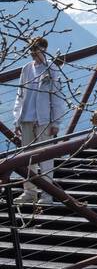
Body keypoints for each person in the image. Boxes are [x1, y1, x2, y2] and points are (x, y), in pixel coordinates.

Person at [12, 35, 66, 206]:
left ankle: (47, 194)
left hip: (44, 121)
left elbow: (57, 97)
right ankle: (29, 192)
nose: (35, 53)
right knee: (27, 159)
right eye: (33, 49)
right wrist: (16, 120)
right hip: (26, 119)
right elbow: (19, 95)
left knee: (45, 157)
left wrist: (56, 122)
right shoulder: (26, 69)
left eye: (38, 49)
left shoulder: (52, 69)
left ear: (44, 49)